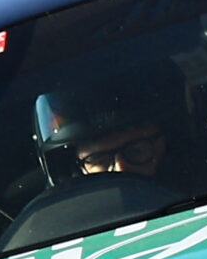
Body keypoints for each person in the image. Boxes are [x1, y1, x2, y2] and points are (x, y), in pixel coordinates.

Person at [31, 79, 168, 185]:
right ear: (77, 170)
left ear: (164, 145)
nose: (121, 169)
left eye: (137, 151)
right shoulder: (55, 219)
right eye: (100, 161)